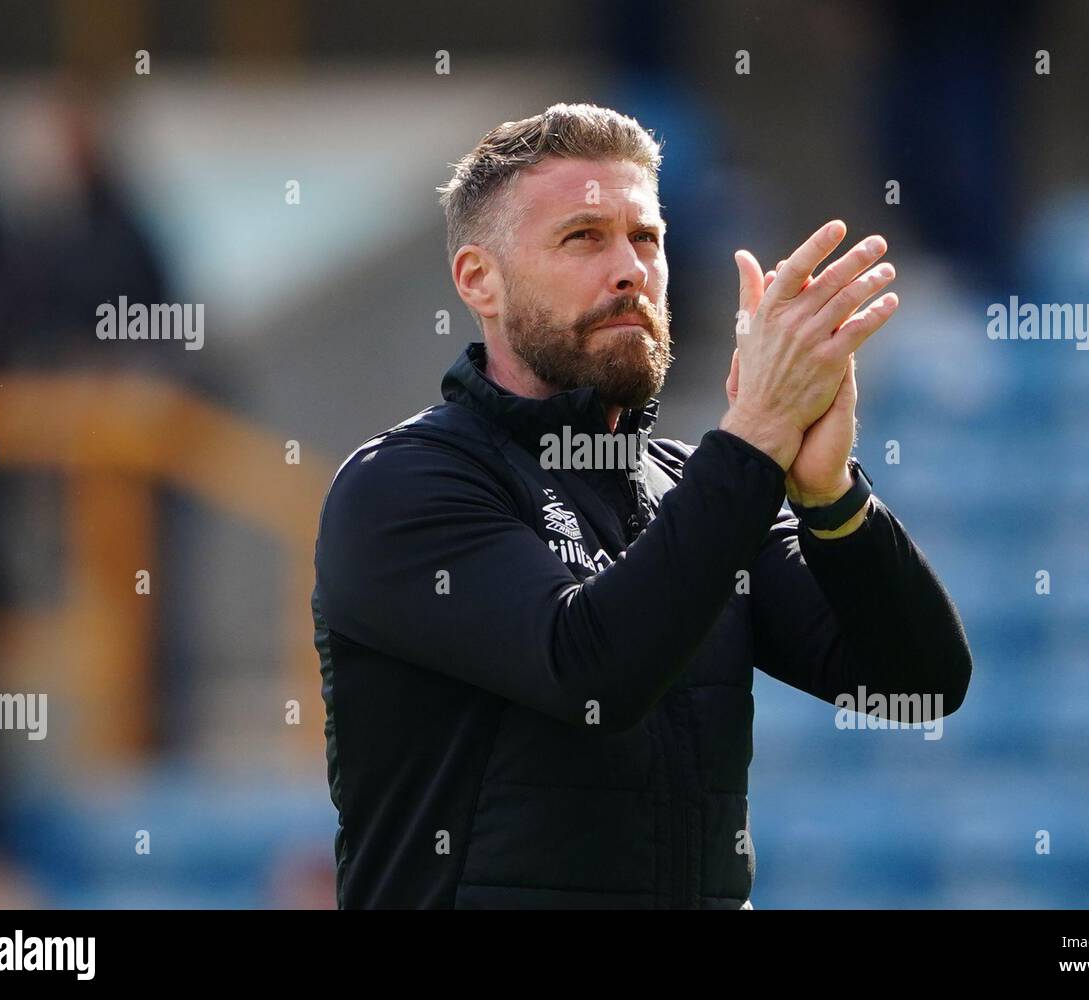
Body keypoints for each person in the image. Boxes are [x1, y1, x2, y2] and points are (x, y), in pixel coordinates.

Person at [312, 103, 972, 909]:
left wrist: (831, 499)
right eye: (584, 237)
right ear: (479, 279)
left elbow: (917, 683)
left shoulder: (699, 488)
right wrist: (756, 437)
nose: (629, 270)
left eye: (646, 238)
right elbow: (594, 673)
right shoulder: (403, 485)